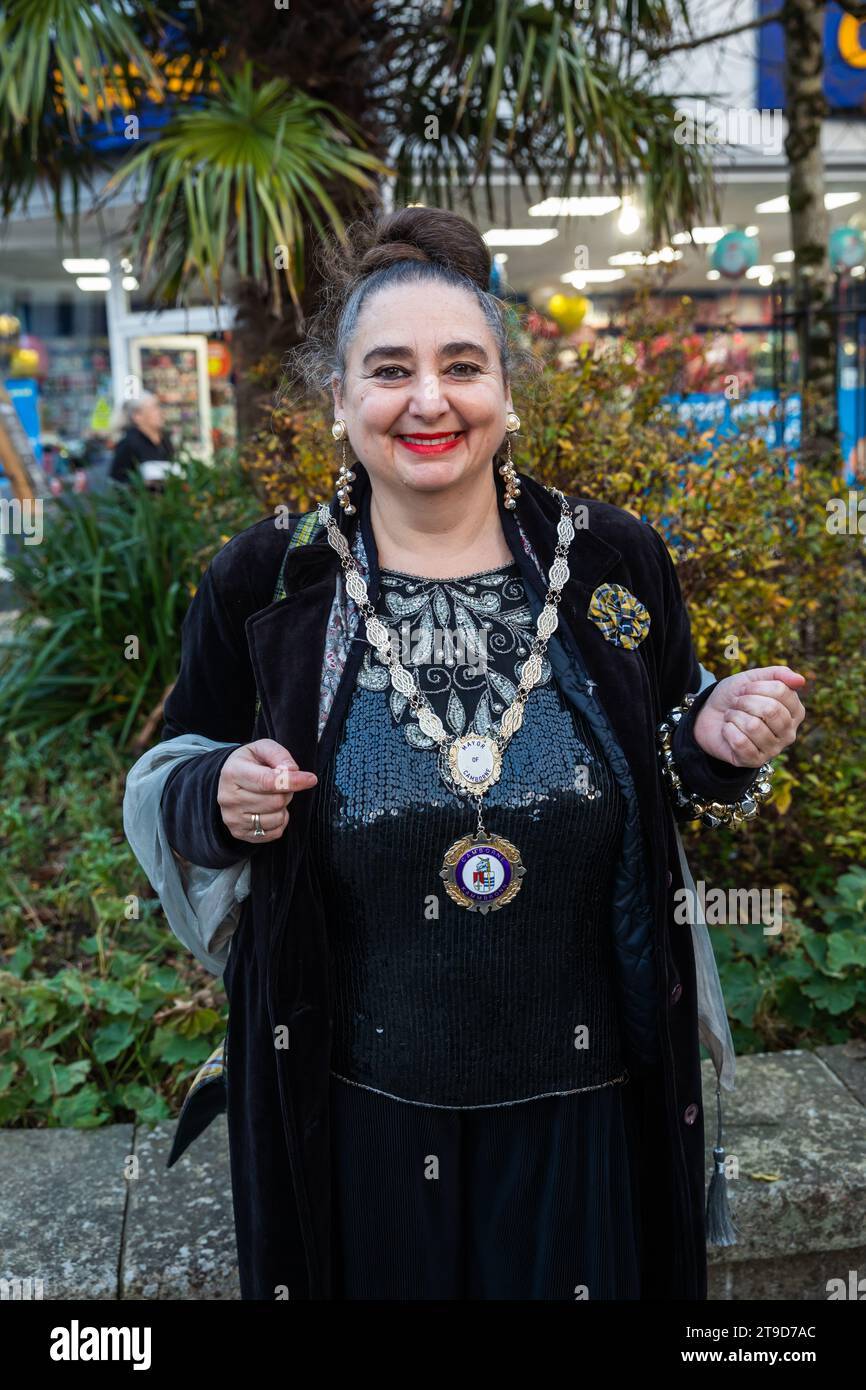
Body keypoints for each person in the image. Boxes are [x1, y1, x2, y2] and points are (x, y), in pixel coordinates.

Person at [128, 206, 806, 1301]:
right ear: (339, 398)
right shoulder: (268, 579)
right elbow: (170, 771)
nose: (429, 400)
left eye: (461, 366)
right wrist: (219, 794)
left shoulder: (612, 560)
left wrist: (714, 740)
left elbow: (673, 770)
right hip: (355, 1122)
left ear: (506, 389)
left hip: (591, 1115)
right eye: (389, 371)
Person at [109, 393, 173, 484]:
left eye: (160, 407)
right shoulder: (129, 443)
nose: (160, 412)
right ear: (137, 416)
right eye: (154, 408)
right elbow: (117, 480)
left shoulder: (165, 440)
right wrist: (142, 484)